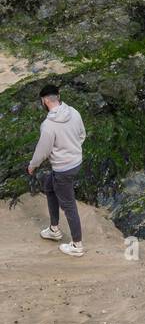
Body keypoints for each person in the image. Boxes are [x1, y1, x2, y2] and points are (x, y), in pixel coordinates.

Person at [27, 82, 86, 257]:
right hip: (76, 162)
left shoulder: (48, 125)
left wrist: (32, 165)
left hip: (63, 169)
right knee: (49, 185)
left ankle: (77, 245)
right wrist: (72, 149)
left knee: (69, 206)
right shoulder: (74, 112)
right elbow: (82, 134)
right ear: (58, 97)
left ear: (44, 101)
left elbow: (42, 151)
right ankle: (54, 229)